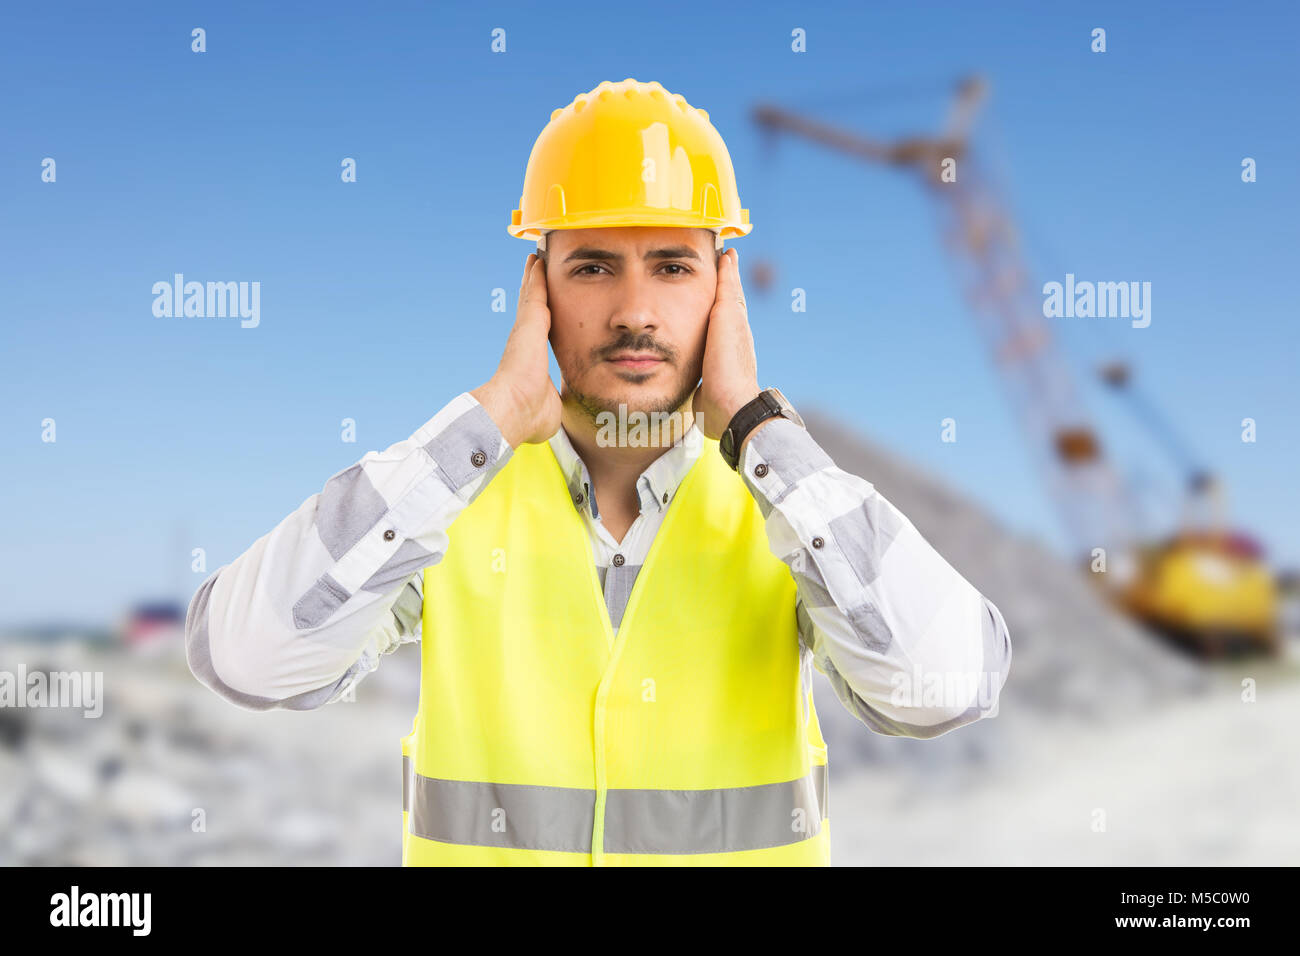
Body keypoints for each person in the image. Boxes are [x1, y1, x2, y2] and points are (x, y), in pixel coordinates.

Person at [185, 78, 1012, 866]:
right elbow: (243, 657)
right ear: (538, 285)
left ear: (725, 288)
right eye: (592, 266)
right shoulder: (448, 499)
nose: (635, 312)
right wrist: (484, 424)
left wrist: (761, 433)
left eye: (672, 265)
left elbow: (946, 686)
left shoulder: (792, 511)